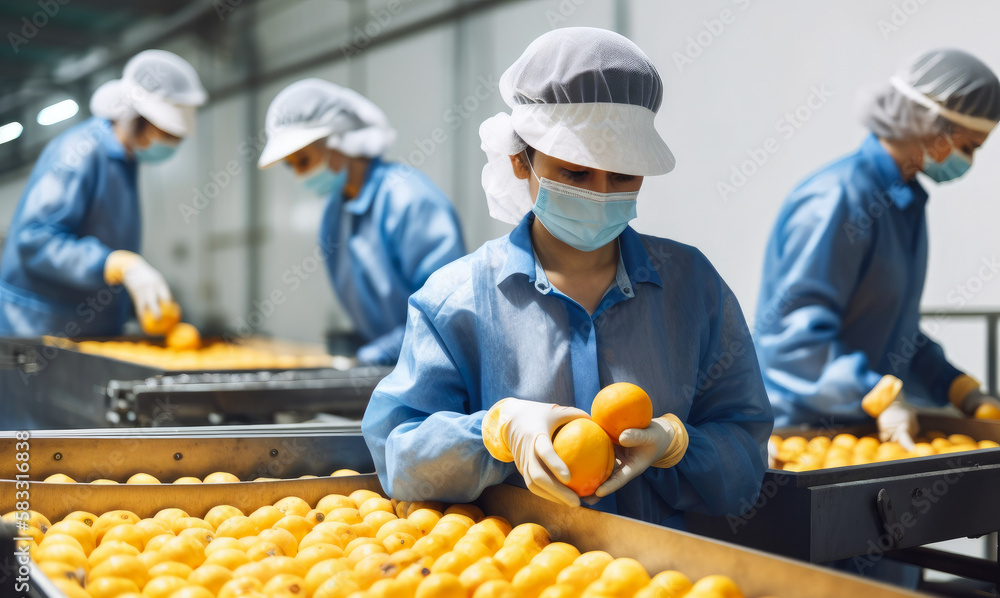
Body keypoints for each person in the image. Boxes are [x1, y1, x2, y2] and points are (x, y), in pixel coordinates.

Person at [362, 27, 772, 526]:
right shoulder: (456, 301)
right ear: (520, 161)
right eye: (575, 173)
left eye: (622, 175)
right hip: (518, 583)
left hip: (668, 585)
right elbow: (399, 457)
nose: (601, 192)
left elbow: (747, 455)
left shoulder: (692, 288)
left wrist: (678, 446)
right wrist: (496, 432)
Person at [755, 49, 1000, 447]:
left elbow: (891, 332)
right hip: (802, 435)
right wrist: (876, 395)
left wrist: (956, 387)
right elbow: (792, 341)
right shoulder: (837, 199)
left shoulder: (905, 204)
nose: (968, 162)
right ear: (929, 126)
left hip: (865, 430)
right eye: (968, 147)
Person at [257, 79, 466, 366]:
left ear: (339, 141)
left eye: (303, 160)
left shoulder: (409, 199)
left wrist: (386, 350)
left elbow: (447, 309)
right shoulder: (335, 213)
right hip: (391, 370)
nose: (299, 175)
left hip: (438, 367)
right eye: (290, 165)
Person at [0, 50, 206, 338]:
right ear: (137, 119)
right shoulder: (78, 152)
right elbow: (34, 238)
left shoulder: (125, 162)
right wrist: (113, 263)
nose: (170, 145)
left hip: (87, 328)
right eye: (166, 134)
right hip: (38, 326)